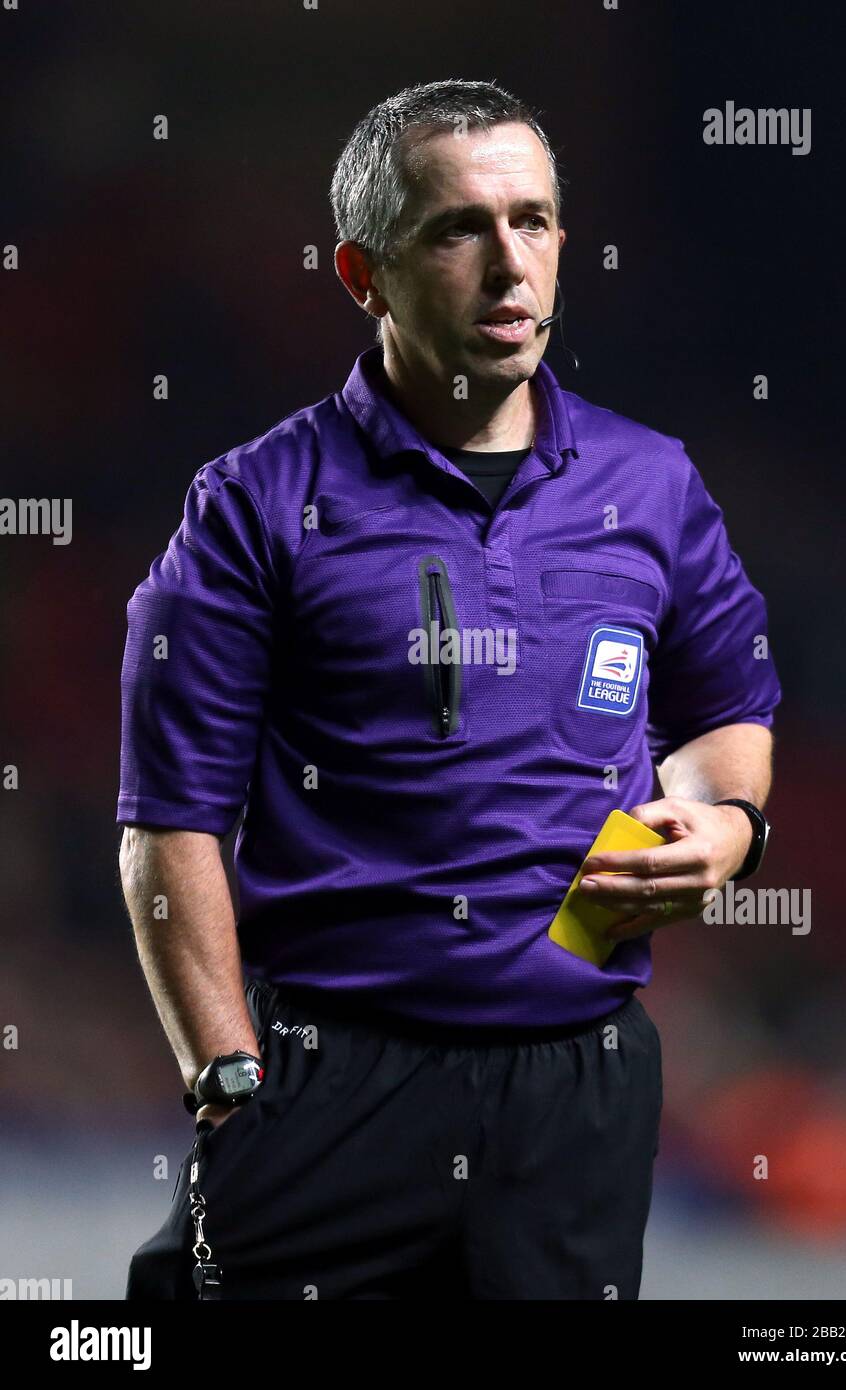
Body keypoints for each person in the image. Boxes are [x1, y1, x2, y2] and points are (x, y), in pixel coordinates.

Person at [119, 78, 781, 1301]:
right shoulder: (253, 506)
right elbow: (170, 826)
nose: (507, 265)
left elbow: (726, 713)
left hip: (577, 1088)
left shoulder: (654, 484)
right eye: (456, 229)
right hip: (327, 1082)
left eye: (531, 221)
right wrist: (226, 1083)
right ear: (362, 274)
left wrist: (726, 825)